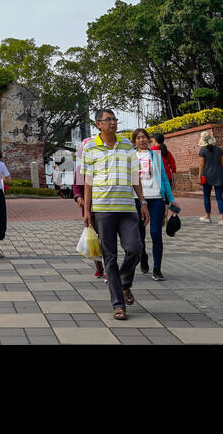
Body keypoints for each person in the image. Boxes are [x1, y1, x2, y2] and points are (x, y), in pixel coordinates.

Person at [81, 109, 147, 321]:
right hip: (103, 209)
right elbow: (88, 182)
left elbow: (135, 175)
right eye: (108, 120)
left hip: (127, 207)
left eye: (114, 119)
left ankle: (125, 283)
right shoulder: (90, 147)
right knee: (109, 257)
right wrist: (86, 210)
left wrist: (143, 202)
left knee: (135, 249)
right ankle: (118, 304)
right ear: (98, 124)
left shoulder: (127, 144)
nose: (113, 123)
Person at [132, 128, 175, 281]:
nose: (142, 140)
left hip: (156, 197)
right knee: (140, 234)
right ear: (134, 141)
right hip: (138, 199)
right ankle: (143, 256)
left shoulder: (155, 156)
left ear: (148, 139)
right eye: (138, 138)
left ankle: (157, 269)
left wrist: (170, 199)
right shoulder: (131, 157)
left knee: (156, 233)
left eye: (144, 137)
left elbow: (164, 177)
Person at [73, 136, 105, 280]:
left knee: (105, 238)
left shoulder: (103, 164)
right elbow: (77, 187)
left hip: (104, 206)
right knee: (93, 239)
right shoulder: (81, 168)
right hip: (88, 209)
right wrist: (79, 197)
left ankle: (109, 268)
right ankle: (99, 267)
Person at [198, 130, 223, 225]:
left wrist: (199, 177)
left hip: (207, 176)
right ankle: (222, 218)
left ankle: (208, 216)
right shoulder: (219, 150)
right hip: (219, 175)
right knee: (219, 197)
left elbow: (202, 165)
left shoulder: (203, 151)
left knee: (206, 196)